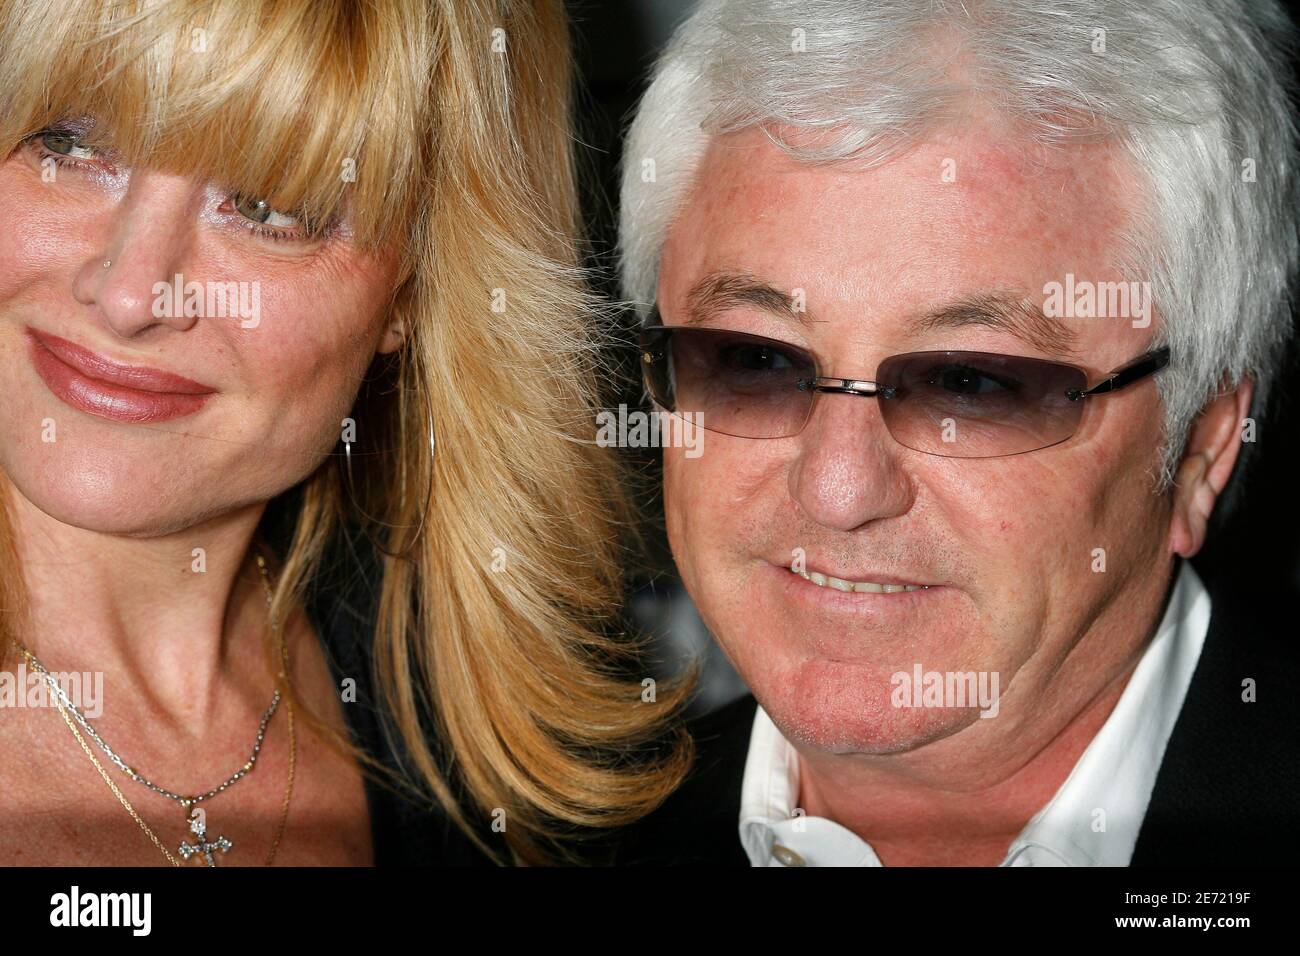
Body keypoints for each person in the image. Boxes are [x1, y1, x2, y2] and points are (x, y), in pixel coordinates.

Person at [0, 0, 689, 867]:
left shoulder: (468, 744)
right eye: (68, 143)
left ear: (413, 293)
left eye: (268, 205)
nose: (132, 293)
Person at [614, 0, 1299, 866]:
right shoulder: (573, 842)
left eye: (969, 383)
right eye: (755, 361)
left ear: (1203, 445)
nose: (837, 490)